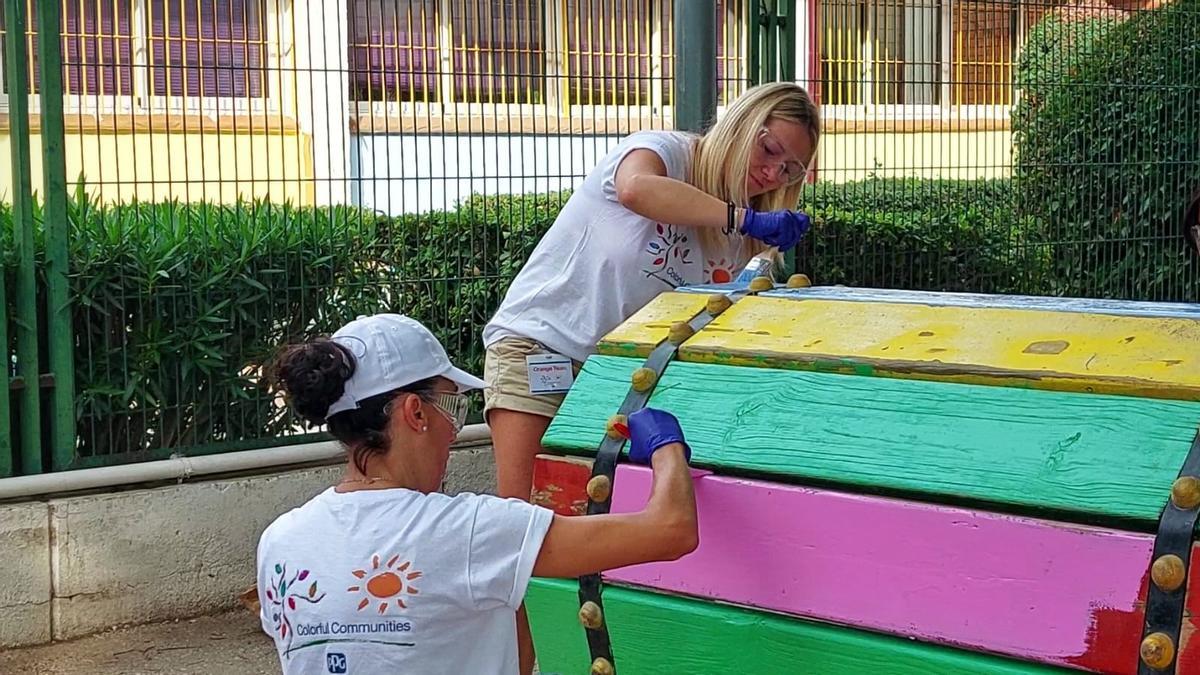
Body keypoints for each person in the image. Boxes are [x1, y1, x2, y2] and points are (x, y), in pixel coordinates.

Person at [480, 81, 819, 670]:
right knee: (520, 532)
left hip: (623, 379)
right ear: (742, 124)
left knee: (588, 533)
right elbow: (637, 189)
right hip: (544, 349)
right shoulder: (665, 152)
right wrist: (744, 219)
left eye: (790, 166)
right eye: (769, 150)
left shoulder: (744, 232)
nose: (772, 172)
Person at [256, 313, 698, 675]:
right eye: (453, 406)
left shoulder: (280, 540)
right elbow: (671, 529)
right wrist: (667, 447)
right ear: (415, 412)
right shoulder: (468, 532)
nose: (455, 431)